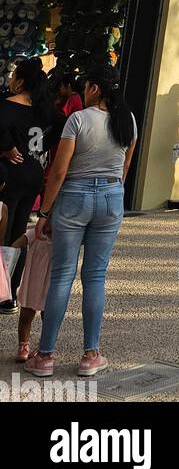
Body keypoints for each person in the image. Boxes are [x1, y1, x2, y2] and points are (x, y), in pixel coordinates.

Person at [25, 65, 137, 380]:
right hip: (112, 197)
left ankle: (45, 355)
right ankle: (91, 354)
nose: (83, 91)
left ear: (96, 88)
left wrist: (44, 212)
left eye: (86, 86)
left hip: (74, 197)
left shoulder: (78, 120)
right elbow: (125, 166)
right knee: (95, 277)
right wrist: (112, 193)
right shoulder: (127, 120)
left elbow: (59, 172)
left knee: (62, 276)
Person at [0, 57, 55, 309]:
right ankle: (10, 291)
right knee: (19, 234)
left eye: (13, 76)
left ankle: (1, 292)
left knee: (3, 231)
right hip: (34, 173)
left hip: (9, 175)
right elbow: (62, 125)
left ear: (21, 81)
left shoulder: (7, 106)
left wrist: (7, 148)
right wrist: (43, 145)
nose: (10, 80)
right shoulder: (45, 109)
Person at [9, 217, 51, 363]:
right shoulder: (36, 234)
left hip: (50, 287)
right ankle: (23, 346)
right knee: (26, 316)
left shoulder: (62, 240)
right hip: (31, 285)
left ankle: (46, 346)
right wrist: (7, 255)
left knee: (49, 318)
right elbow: (19, 242)